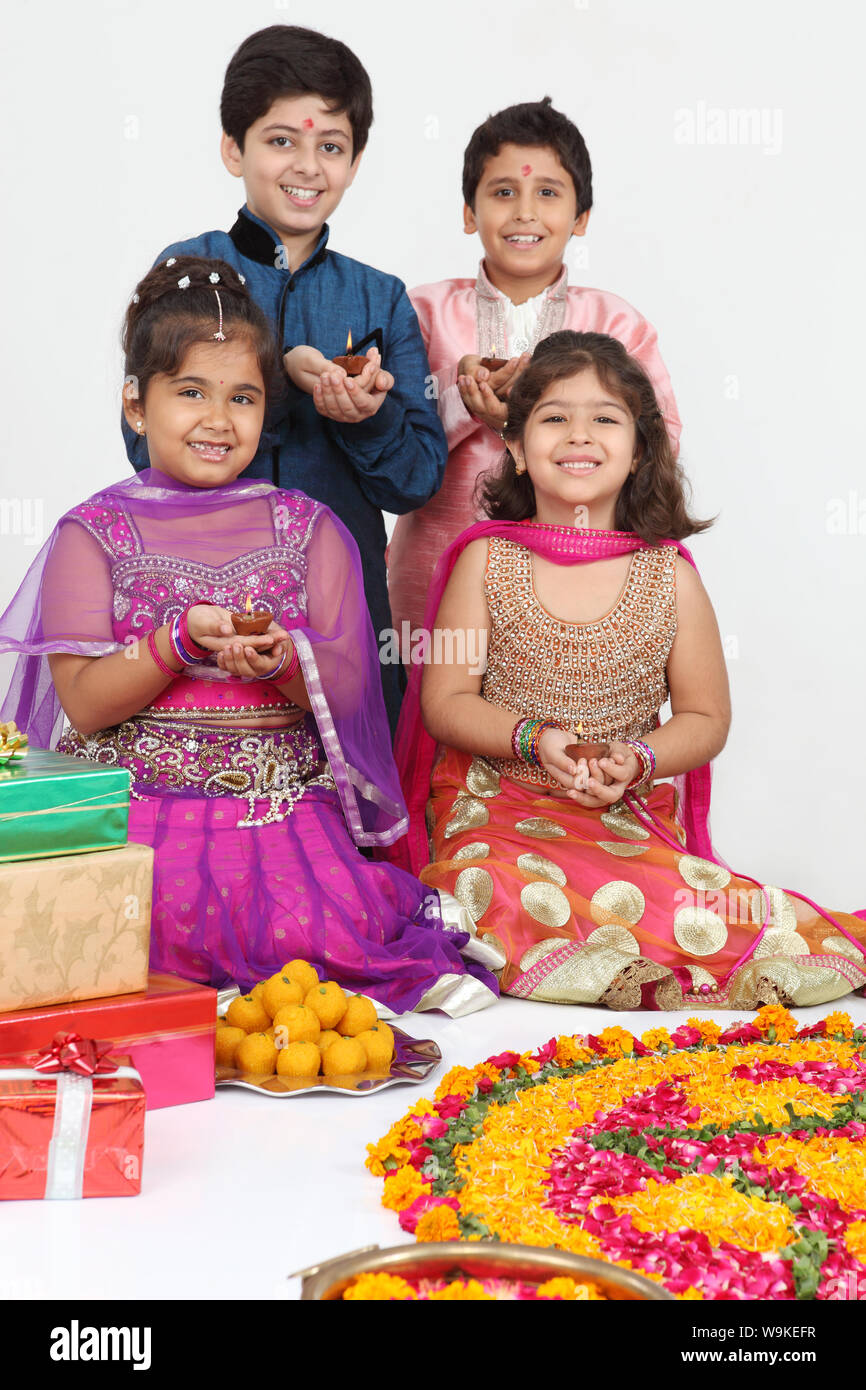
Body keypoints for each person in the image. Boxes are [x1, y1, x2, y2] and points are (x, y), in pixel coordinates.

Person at [0, 257, 497, 1018]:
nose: (218, 418)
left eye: (244, 397)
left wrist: (283, 662)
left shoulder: (308, 530)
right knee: (119, 939)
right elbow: (86, 706)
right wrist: (179, 643)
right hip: (138, 817)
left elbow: (355, 697)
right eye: (190, 392)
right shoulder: (91, 533)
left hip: (276, 816)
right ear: (136, 404)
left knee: (313, 941)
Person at [393, 330, 866, 1010]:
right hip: (499, 806)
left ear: (639, 450)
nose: (579, 434)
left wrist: (637, 760)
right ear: (518, 449)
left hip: (623, 812)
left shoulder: (666, 573)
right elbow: (447, 702)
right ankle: (603, 969)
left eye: (605, 419)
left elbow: (705, 718)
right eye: (554, 417)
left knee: (707, 904)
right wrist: (536, 740)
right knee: (476, 887)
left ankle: (643, 955)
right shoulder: (487, 561)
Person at [123, 25, 448, 731]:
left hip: (343, 605)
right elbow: (143, 444)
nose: (307, 165)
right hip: (196, 592)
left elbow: (417, 480)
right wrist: (280, 376)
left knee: (355, 804)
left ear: (356, 161)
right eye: (281, 141)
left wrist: (365, 416)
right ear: (232, 147)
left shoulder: (380, 298)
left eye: (330, 145)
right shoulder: (187, 269)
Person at [387, 97, 681, 641]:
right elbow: (390, 447)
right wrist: (460, 401)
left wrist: (549, 414)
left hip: (583, 580)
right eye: (503, 192)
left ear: (582, 216)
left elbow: (662, 439)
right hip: (432, 580)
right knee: (436, 714)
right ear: (470, 212)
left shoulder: (615, 322)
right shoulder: (420, 313)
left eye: (547, 192)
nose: (524, 211)